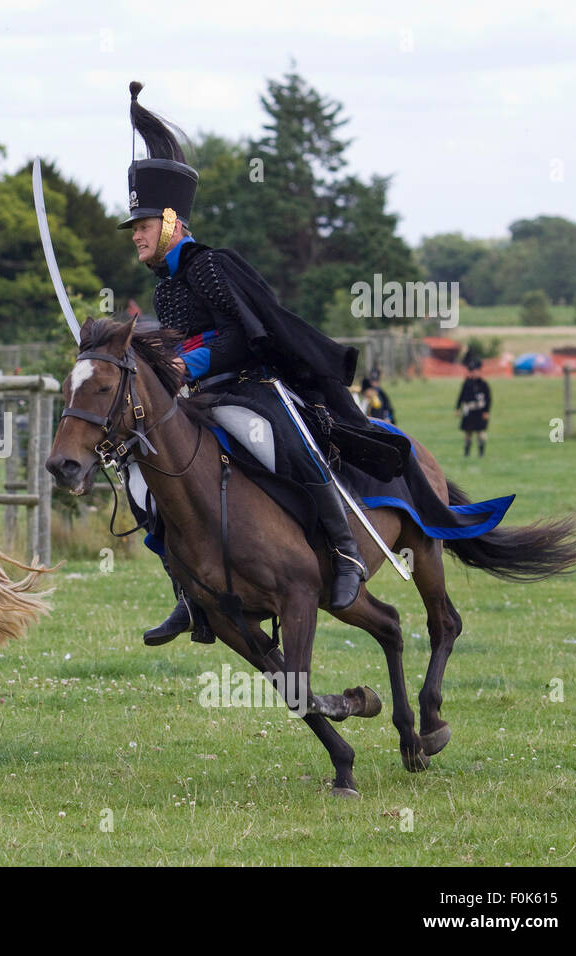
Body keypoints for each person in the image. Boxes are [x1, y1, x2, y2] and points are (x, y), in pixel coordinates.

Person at [119, 82, 375, 646]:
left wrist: (192, 362)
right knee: (143, 477)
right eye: (133, 229)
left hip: (249, 385)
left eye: (141, 226)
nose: (134, 236)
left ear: (170, 222)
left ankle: (346, 551)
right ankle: (187, 590)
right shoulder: (163, 290)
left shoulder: (210, 266)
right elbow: (177, 345)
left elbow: (242, 333)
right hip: (197, 396)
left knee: (274, 441)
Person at [455, 355, 491, 457]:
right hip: (469, 411)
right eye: (472, 371)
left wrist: (486, 411)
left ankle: (481, 453)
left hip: (479, 411)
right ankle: (466, 453)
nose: (474, 373)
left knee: (481, 433)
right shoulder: (466, 384)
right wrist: (457, 408)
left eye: (476, 371)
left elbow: (488, 399)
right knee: (468, 433)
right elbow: (461, 396)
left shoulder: (484, 384)